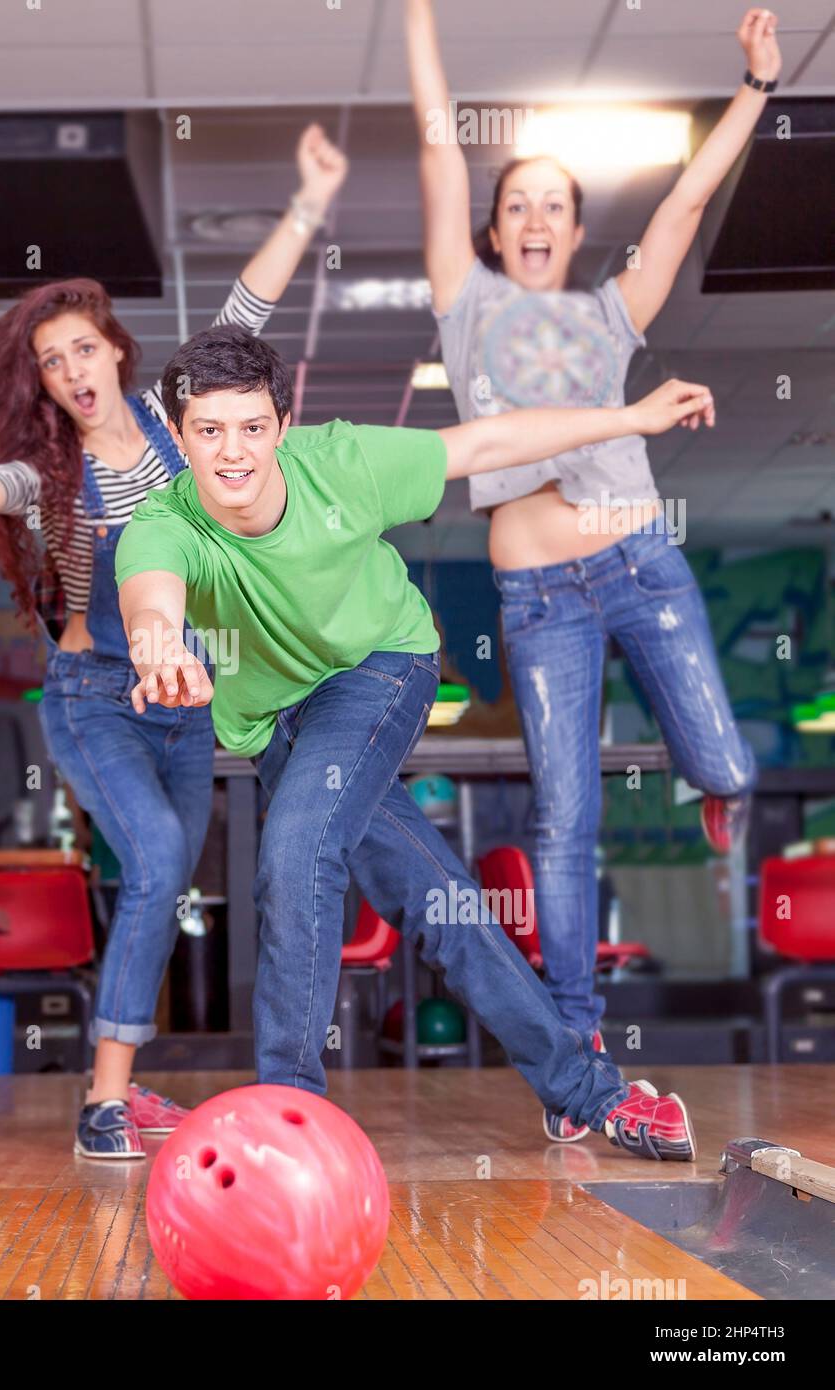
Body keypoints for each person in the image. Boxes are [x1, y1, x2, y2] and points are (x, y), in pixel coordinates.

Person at [0, 125, 349, 1159]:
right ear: (42, 385)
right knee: (163, 854)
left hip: (183, 698)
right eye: (50, 362)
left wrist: (307, 203)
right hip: (90, 694)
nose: (72, 369)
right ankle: (103, 1101)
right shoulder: (52, 473)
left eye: (83, 347)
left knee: (162, 878)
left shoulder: (184, 428)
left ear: (116, 350)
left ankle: (124, 1084)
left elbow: (246, 307)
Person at [115, 325, 719, 1161]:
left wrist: (629, 417)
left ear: (282, 426)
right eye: (208, 431)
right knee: (438, 903)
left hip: (381, 669)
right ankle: (586, 1092)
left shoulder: (345, 464)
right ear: (178, 438)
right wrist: (159, 645)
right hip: (276, 724)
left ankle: (288, 1127)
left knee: (295, 853)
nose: (232, 453)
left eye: (251, 427)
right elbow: (153, 599)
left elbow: (491, 439)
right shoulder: (162, 522)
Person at [405, 0, 771, 1137]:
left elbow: (684, 205)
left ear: (569, 231)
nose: (530, 216)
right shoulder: (463, 310)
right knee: (565, 818)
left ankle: (720, 785)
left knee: (720, 760)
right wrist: (415, 11)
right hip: (539, 600)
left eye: (552, 205)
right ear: (496, 227)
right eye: (514, 202)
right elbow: (432, 139)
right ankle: (576, 1052)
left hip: (640, 567)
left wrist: (754, 89)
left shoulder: (611, 313)